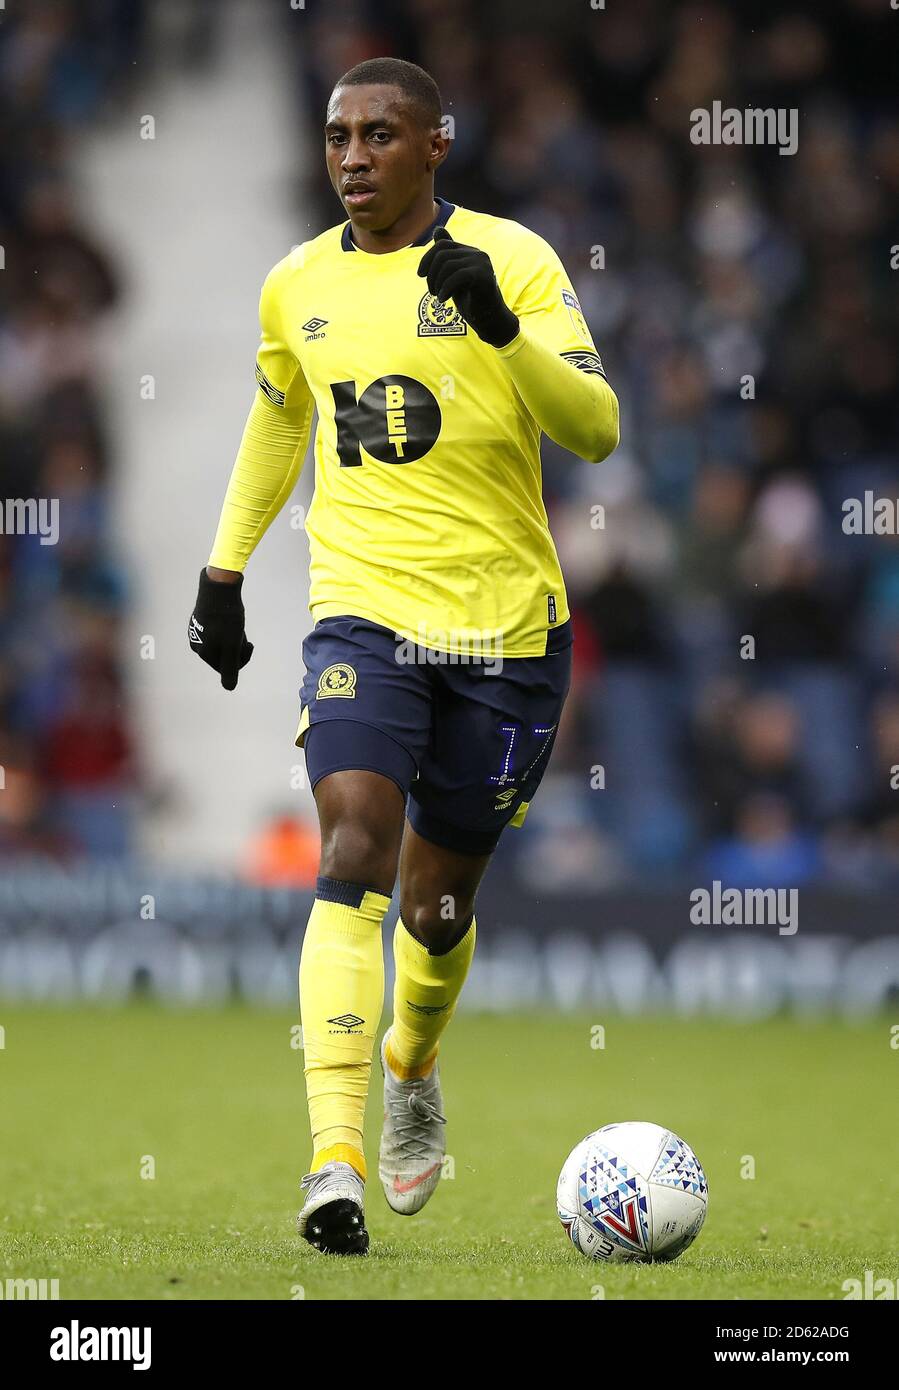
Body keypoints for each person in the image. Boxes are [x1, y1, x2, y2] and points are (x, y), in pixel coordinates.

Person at [189, 56, 619, 1255]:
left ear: (435, 145)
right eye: (336, 137)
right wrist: (223, 573)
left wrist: (496, 326)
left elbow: (595, 427)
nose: (352, 157)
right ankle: (331, 1159)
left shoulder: (512, 261)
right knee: (351, 845)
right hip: (364, 619)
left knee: (436, 906)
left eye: (380, 134)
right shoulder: (296, 285)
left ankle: (411, 1060)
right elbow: (280, 416)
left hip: (502, 633)